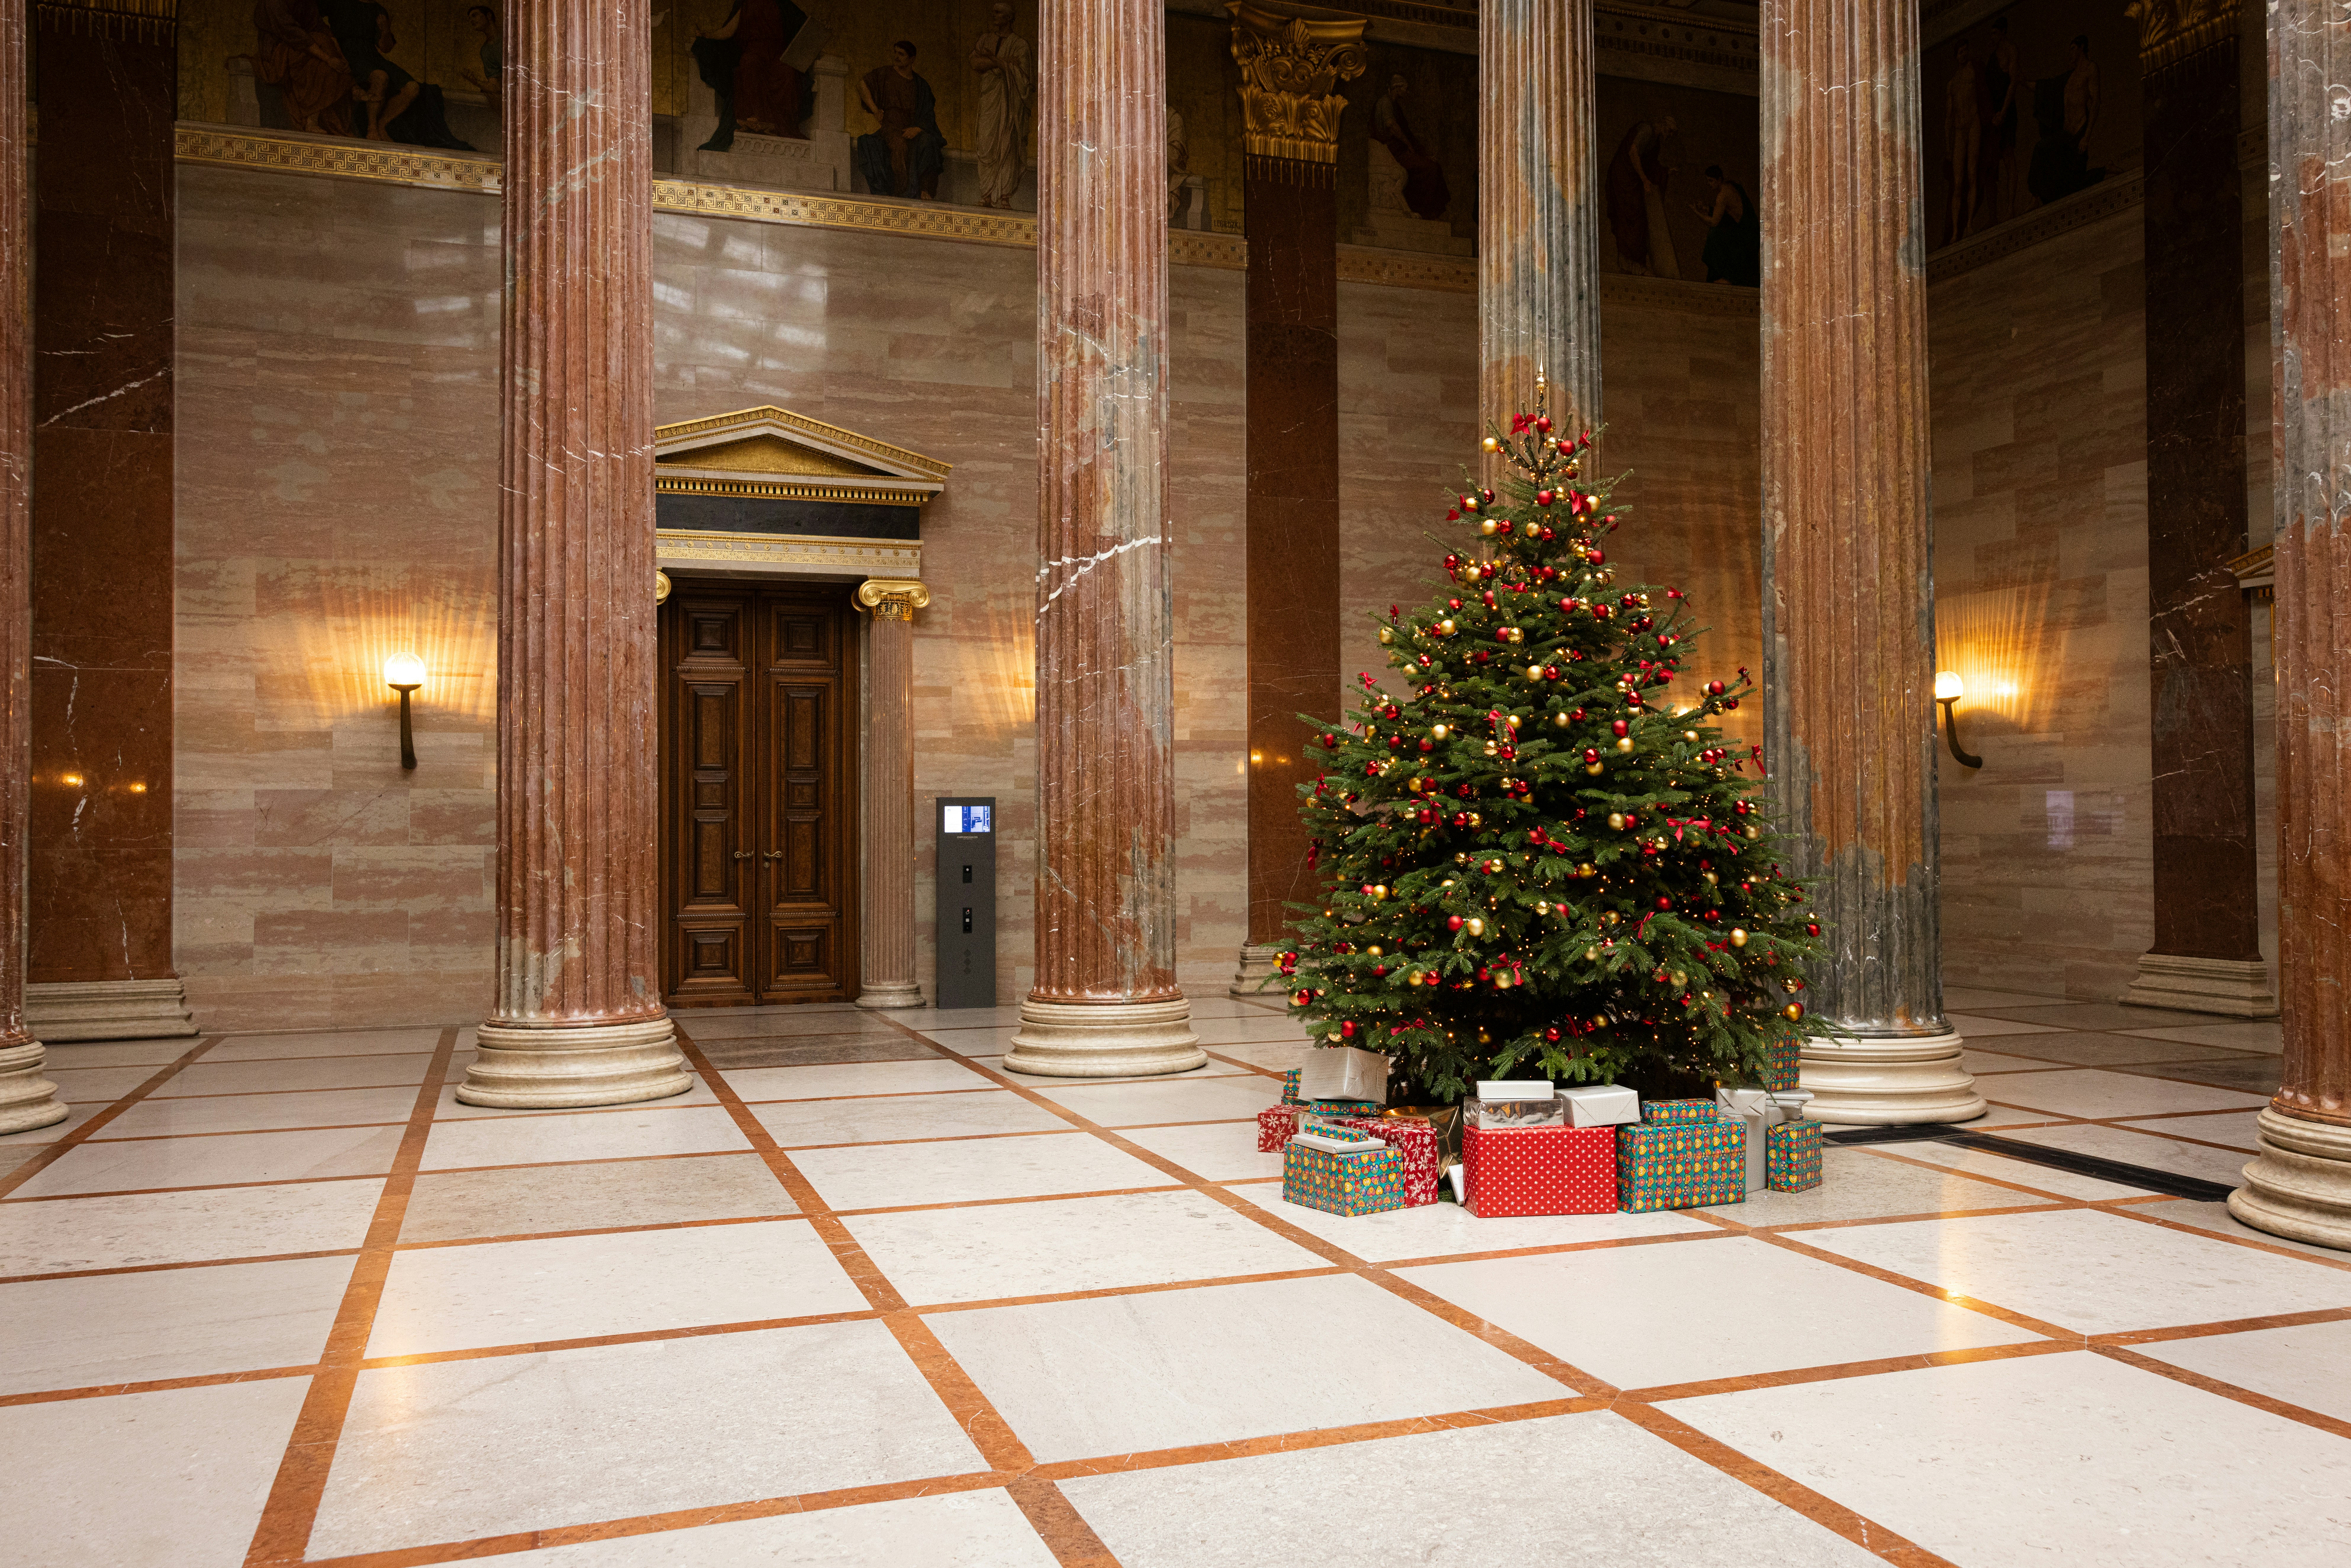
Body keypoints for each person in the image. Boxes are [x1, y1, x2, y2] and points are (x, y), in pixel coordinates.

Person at [856, 40, 945, 201]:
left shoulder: (921, 85)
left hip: (914, 129)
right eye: (895, 53)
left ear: (912, 59)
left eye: (901, 54)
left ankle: (926, 191)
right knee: (899, 147)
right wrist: (876, 110)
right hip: (891, 128)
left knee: (929, 142)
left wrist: (918, 129)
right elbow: (862, 85)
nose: (896, 57)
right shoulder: (886, 74)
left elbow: (928, 114)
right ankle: (902, 195)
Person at [251, 0, 351, 135]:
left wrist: (341, 58)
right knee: (316, 66)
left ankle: (351, 90)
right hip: (278, 48)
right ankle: (311, 121)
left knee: (325, 42)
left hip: (306, 46)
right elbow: (293, 33)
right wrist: (328, 59)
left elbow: (320, 28)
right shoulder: (272, 3)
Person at [323, 0, 418, 140]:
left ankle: (382, 125)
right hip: (347, 54)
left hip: (371, 56)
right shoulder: (339, 3)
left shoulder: (379, 11)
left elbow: (386, 48)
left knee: (413, 88)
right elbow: (314, 17)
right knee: (380, 77)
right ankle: (372, 128)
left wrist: (386, 32)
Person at [969, 3, 1034, 210]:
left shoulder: (1020, 45)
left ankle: (1005, 196)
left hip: (1010, 105)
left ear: (1009, 18)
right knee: (986, 142)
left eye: (998, 13)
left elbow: (1025, 80)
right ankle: (986, 195)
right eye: (993, 11)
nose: (993, 15)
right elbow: (975, 63)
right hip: (989, 99)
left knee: (1007, 143)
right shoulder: (985, 39)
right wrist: (1002, 63)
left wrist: (993, 60)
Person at [1604, 116, 1678, 277]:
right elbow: (1633, 153)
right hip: (1624, 178)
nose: (1670, 136)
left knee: (1638, 221)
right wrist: (1645, 180)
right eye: (1671, 132)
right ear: (1664, 126)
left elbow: (1649, 165)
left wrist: (1665, 172)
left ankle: (1635, 265)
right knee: (1630, 219)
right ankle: (1631, 265)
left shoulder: (1655, 142)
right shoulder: (1646, 130)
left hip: (1633, 180)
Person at [1370, 75, 1450, 222]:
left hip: (1401, 150)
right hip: (1391, 152)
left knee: (1433, 166)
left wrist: (1424, 154)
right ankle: (1427, 213)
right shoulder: (1385, 103)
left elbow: (1409, 135)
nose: (1407, 93)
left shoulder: (1396, 106)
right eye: (1405, 90)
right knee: (1432, 169)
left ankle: (1430, 211)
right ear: (1397, 88)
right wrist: (1408, 144)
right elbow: (1392, 126)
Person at [1943, 38, 1983, 243]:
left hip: (1974, 122)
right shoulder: (1952, 83)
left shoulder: (1973, 71)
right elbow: (1948, 118)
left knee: (1972, 173)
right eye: (1960, 52)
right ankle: (1955, 232)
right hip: (1960, 130)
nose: (1964, 55)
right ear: (1956, 56)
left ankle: (1969, 223)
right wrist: (1948, 147)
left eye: (1966, 51)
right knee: (1958, 183)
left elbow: (1982, 95)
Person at [1692, 165, 1759, 286]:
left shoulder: (1723, 195)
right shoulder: (1730, 187)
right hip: (1747, 229)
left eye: (1711, 181)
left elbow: (1714, 222)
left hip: (1747, 233)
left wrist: (1696, 213)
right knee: (1717, 235)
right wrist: (1708, 208)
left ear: (1720, 180)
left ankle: (1729, 278)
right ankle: (1726, 277)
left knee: (1714, 236)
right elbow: (1729, 214)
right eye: (1708, 181)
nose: (1709, 184)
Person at [1984, 16, 2020, 223]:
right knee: (1991, 163)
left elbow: (2013, 82)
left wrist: (2004, 112)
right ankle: (1993, 215)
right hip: (1993, 114)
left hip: (2005, 111)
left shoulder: (2011, 51)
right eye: (1991, 33)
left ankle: (2010, 208)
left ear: (2004, 32)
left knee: (2008, 158)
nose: (1992, 37)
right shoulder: (1992, 57)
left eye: (1995, 33)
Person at [457, 5, 501, 112]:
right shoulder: (486, 51)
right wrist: (475, 81)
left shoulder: (511, 37)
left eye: (475, 16)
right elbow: (495, 87)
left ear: (489, 16)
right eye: (470, 19)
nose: (472, 20)